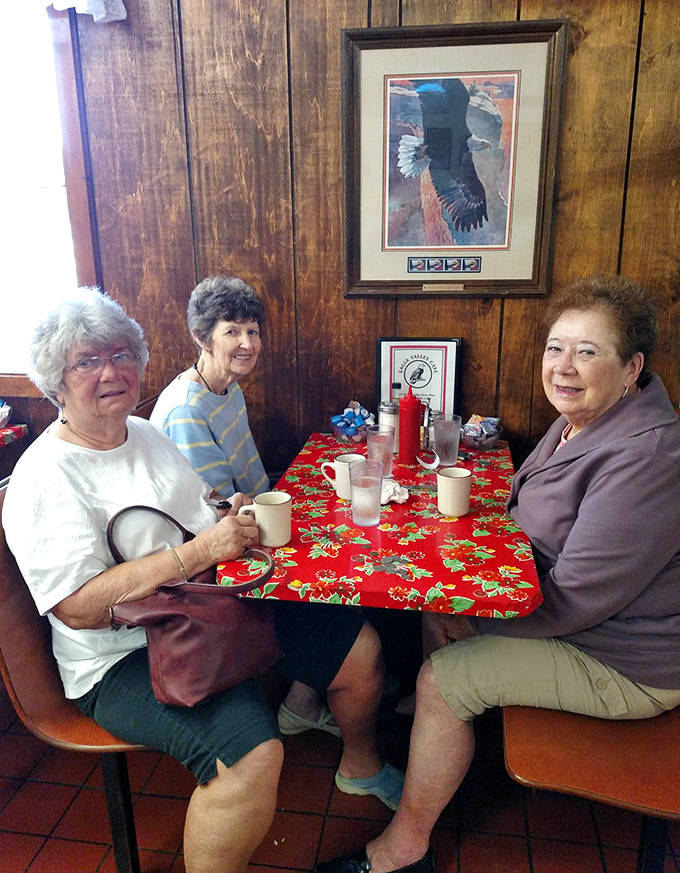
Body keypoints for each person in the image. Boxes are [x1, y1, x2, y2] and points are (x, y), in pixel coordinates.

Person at [2, 287, 402, 873]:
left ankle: (360, 767)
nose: (110, 371)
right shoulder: (46, 476)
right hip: (120, 658)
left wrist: (226, 513)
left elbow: (198, 513)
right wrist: (198, 553)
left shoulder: (146, 434)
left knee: (355, 647)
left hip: (207, 612)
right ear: (54, 382)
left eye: (120, 354)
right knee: (250, 756)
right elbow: (78, 607)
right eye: (86, 361)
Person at [316, 275, 680, 873]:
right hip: (577, 622)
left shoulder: (646, 456)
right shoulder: (583, 422)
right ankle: (448, 748)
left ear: (631, 366)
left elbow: (581, 599)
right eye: (556, 348)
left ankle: (403, 849)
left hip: (624, 661)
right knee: (437, 611)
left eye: (588, 352)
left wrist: (481, 619)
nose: (564, 367)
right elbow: (523, 507)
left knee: (442, 680)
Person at [151, 274, 341, 740]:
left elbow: (245, 480)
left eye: (252, 330)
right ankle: (305, 696)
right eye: (232, 330)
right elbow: (220, 514)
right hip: (208, 557)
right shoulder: (187, 410)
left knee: (339, 523)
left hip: (246, 515)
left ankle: (310, 692)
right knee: (336, 573)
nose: (246, 342)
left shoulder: (225, 389)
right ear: (202, 337)